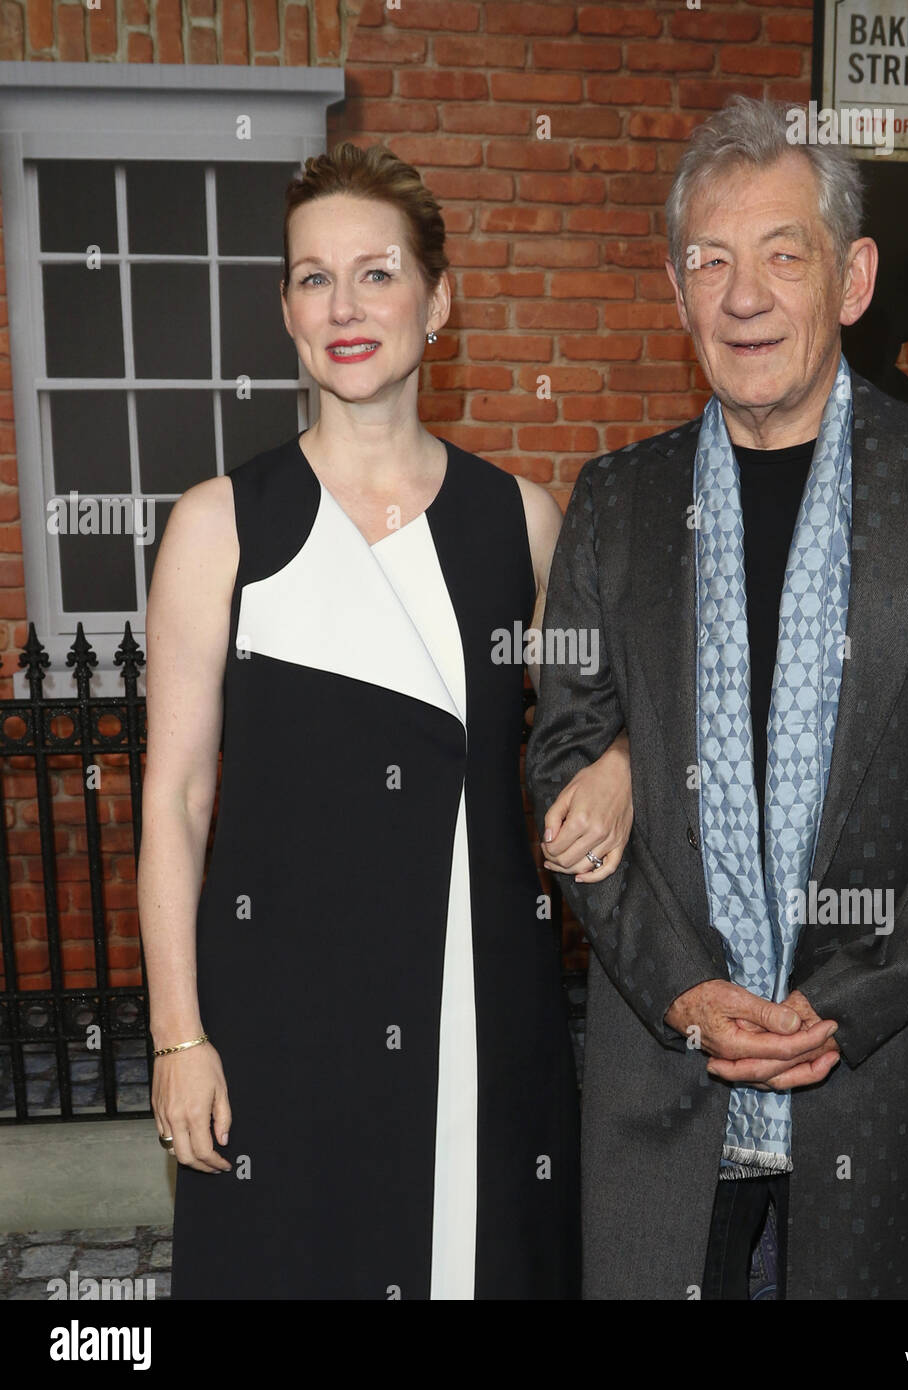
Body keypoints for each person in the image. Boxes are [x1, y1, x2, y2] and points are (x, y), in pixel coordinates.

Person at [526, 95, 908, 1301]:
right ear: (677, 290)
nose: (744, 294)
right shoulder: (614, 502)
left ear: (852, 277)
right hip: (667, 1093)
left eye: (782, 253)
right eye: (709, 259)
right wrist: (682, 989)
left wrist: (841, 1005)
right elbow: (563, 757)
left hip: (886, 1073)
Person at [137, 141, 633, 1300]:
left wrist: (617, 762)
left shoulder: (522, 520)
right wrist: (178, 1036)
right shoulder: (219, 524)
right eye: (314, 278)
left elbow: (594, 724)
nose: (345, 306)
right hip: (277, 1020)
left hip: (477, 997)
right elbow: (175, 799)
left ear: (437, 298)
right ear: (285, 310)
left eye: (376, 272)